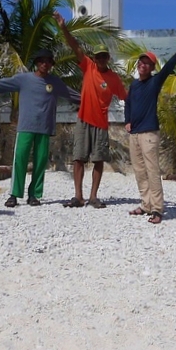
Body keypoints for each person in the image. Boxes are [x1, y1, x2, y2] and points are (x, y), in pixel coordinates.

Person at [0, 49, 78, 207]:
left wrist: (95, 100)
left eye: (48, 61)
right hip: (25, 127)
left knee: (40, 162)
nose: (45, 64)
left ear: (51, 64)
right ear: (36, 63)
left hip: (45, 128)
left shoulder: (55, 82)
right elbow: (0, 85)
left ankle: (34, 195)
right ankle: (14, 195)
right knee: (20, 160)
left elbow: (74, 95)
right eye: (41, 60)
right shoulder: (23, 79)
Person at [54, 12, 127, 209]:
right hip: (84, 120)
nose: (101, 59)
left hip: (101, 124)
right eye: (98, 56)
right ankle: (78, 196)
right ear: (95, 58)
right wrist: (63, 27)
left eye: (104, 56)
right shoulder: (89, 67)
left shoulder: (114, 79)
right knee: (78, 158)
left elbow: (127, 97)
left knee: (98, 160)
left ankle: (94, 196)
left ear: (108, 58)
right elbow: (75, 46)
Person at [124, 39, 176, 224]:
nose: (143, 65)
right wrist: (127, 121)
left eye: (147, 63)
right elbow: (128, 103)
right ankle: (146, 204)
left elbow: (171, 64)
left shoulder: (154, 82)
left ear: (151, 68)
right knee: (140, 171)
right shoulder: (134, 85)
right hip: (134, 134)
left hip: (149, 133)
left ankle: (157, 209)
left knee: (152, 171)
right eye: (141, 62)